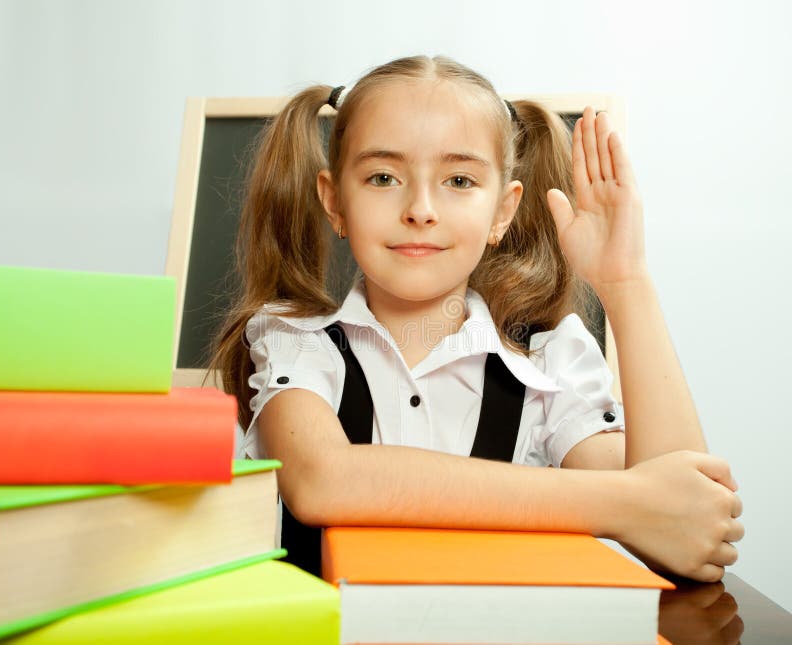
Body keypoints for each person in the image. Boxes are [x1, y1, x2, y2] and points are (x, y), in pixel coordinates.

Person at [211, 54, 743, 582]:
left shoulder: (548, 360)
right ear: (334, 203)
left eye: (460, 180)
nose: (421, 209)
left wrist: (625, 283)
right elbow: (322, 480)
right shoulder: (294, 340)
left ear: (502, 212)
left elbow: (689, 518)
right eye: (383, 177)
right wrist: (624, 503)